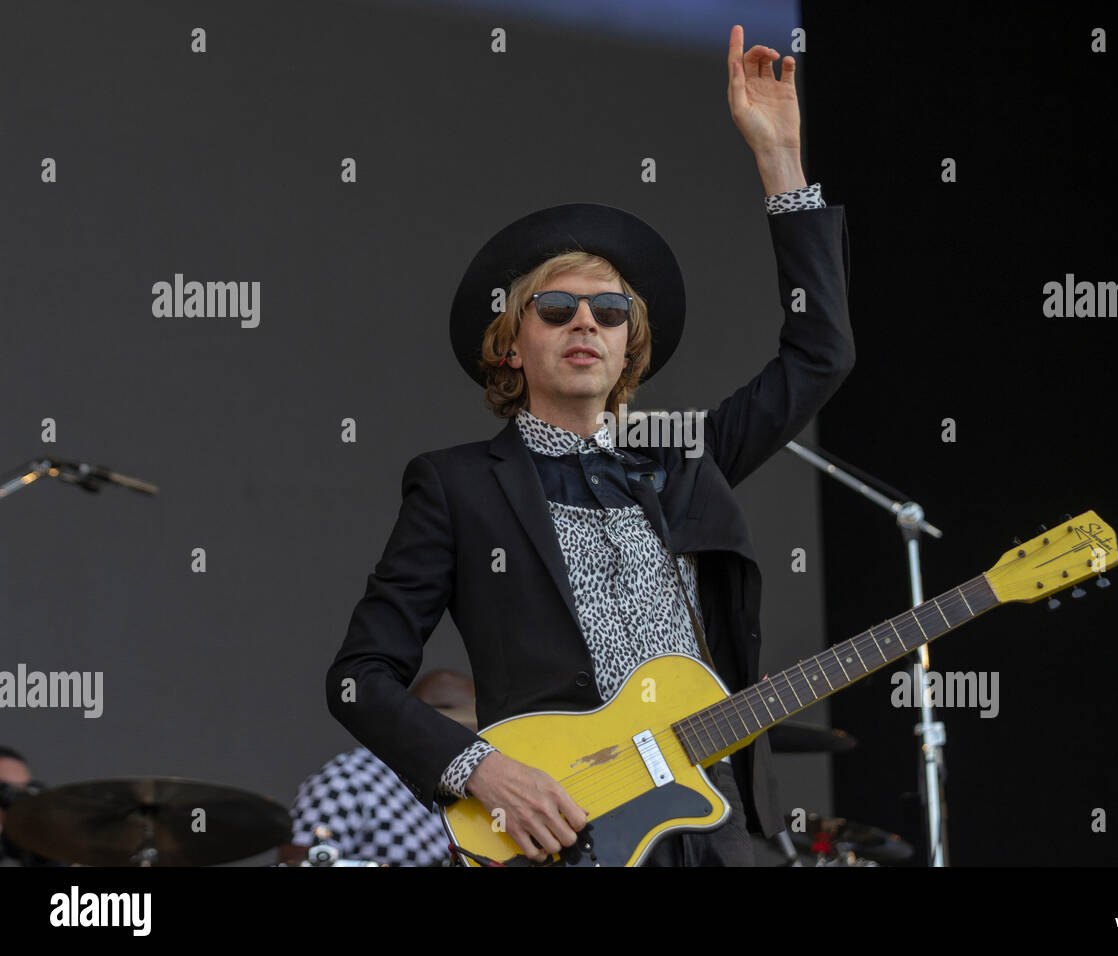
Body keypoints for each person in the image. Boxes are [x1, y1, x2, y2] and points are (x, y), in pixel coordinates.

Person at [327, 24, 853, 865]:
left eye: (609, 313)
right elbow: (359, 677)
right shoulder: (458, 487)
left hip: (709, 825)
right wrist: (481, 770)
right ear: (510, 345)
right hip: (567, 836)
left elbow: (821, 355)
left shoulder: (683, 460)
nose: (585, 323)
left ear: (628, 346)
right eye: (555, 309)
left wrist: (780, 160)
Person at [280, 670, 475, 866]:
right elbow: (299, 860)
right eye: (474, 733)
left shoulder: (459, 796)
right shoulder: (351, 777)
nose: (480, 751)